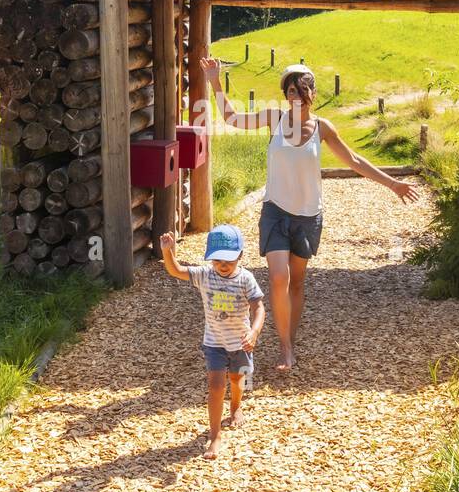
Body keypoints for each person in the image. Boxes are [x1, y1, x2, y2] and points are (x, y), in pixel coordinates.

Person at [200, 57, 419, 372]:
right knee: (279, 277)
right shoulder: (274, 119)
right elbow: (232, 118)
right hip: (275, 211)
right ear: (284, 94)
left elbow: (354, 160)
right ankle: (285, 348)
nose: (295, 97)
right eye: (290, 91)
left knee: (297, 284)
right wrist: (215, 81)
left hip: (307, 216)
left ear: (312, 93)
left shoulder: (322, 127)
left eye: (301, 91)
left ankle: (290, 336)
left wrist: (392, 183)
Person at [158, 224, 265, 460]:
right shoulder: (205, 275)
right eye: (217, 260)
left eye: (228, 260)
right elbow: (176, 271)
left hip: (240, 342)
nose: (222, 265)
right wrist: (168, 252)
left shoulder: (246, 278)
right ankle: (215, 434)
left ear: (240, 255)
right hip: (214, 342)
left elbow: (259, 307)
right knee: (216, 386)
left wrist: (255, 332)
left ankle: (236, 407)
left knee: (238, 380)